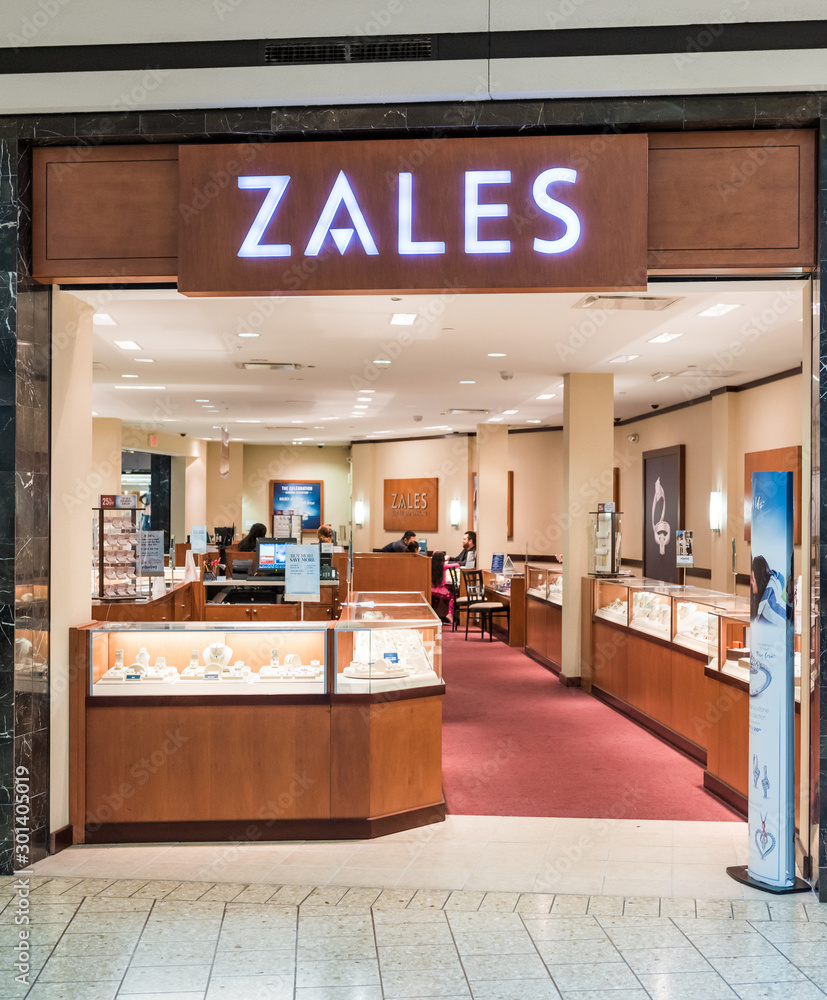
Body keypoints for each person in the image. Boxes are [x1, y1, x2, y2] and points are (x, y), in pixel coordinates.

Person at [750, 554, 788, 626]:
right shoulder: (756, 598)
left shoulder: (768, 606)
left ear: (759, 578)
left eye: (752, 578)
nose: (750, 582)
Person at [430, 550, 454, 624]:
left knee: (434, 600)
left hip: (431, 589)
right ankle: (450, 614)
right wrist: (448, 562)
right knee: (452, 596)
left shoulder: (430, 566)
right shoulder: (444, 566)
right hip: (441, 590)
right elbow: (457, 565)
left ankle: (432, 615)